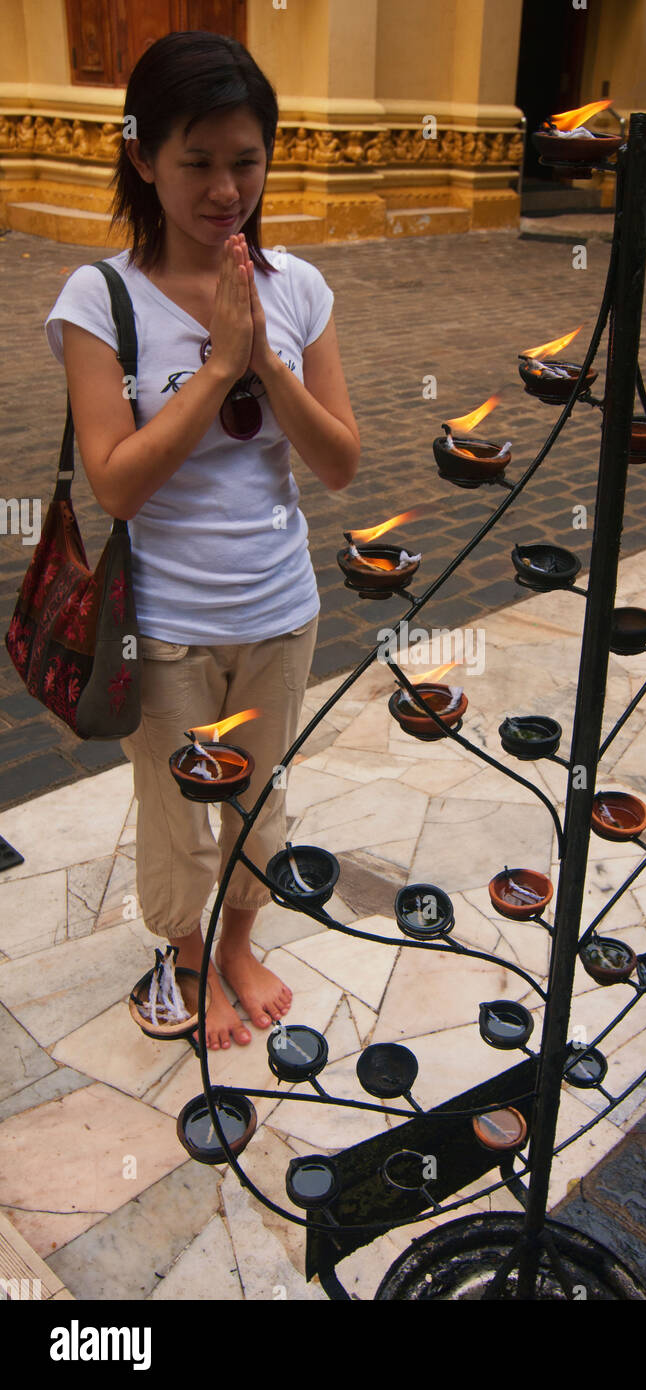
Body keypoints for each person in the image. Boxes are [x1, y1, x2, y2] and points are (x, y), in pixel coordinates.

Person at [44, 32, 360, 1049]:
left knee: (261, 797)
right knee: (180, 813)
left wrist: (266, 358)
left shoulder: (299, 287)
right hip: (164, 624)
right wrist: (219, 368)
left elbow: (341, 462)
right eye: (198, 163)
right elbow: (117, 480)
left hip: (278, 609)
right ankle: (186, 958)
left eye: (246, 160)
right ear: (142, 157)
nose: (227, 188)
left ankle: (236, 943)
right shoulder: (101, 299)